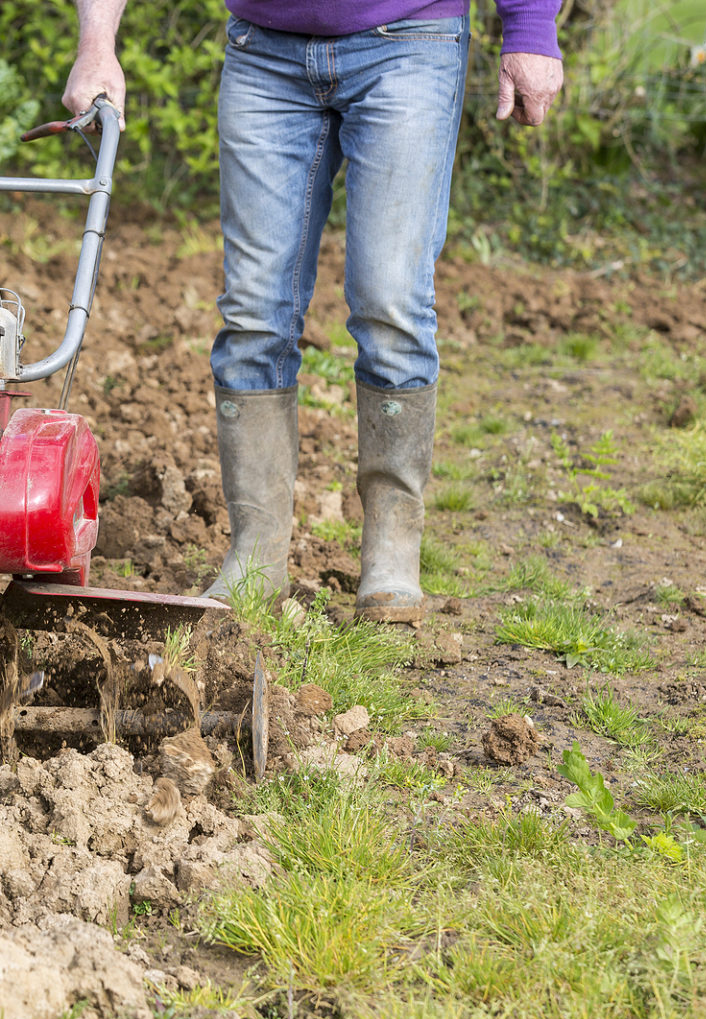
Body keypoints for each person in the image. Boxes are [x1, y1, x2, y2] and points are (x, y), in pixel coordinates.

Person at [62, 2, 564, 624]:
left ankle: (392, 548)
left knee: (391, 301)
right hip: (263, 50)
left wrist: (531, 24)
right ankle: (256, 551)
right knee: (252, 314)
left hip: (410, 39)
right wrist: (97, 42)